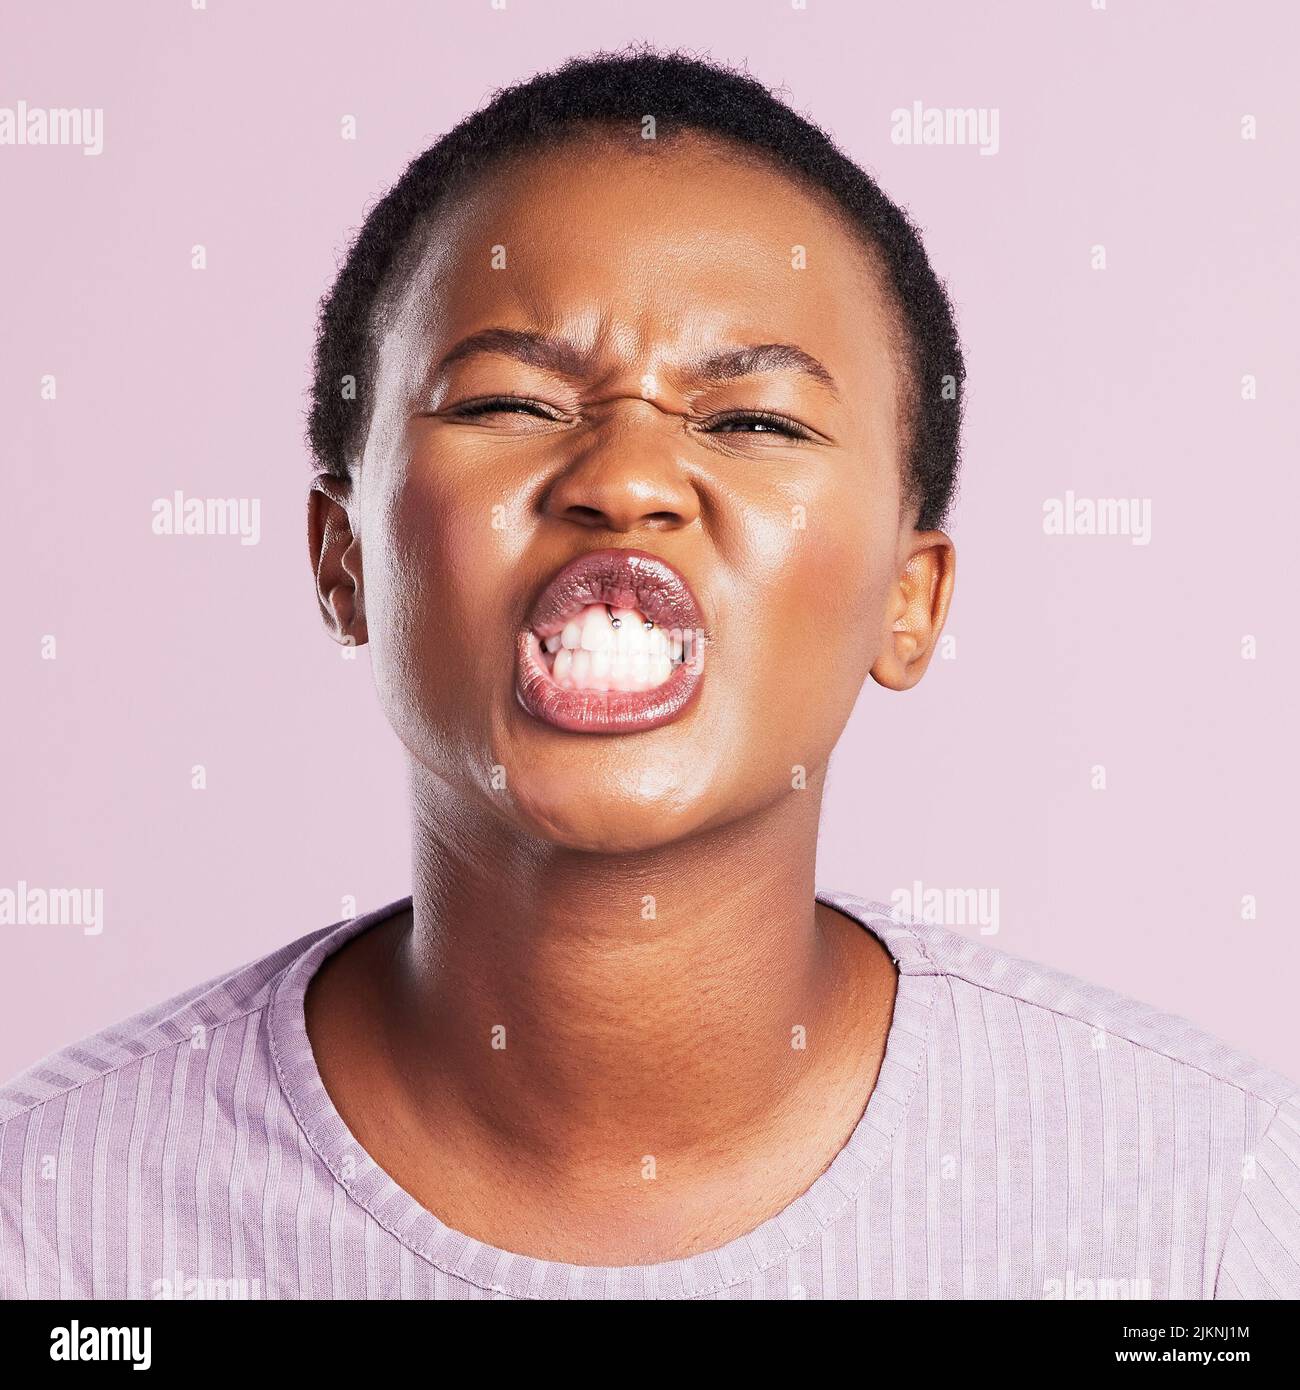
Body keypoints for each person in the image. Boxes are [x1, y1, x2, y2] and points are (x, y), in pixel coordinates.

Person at [3, 45, 1297, 1301]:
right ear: (342, 556)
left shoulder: (1206, 1207)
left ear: (911, 603)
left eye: (752, 422)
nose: (622, 480)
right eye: (509, 402)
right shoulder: (54, 1215)